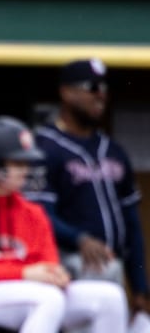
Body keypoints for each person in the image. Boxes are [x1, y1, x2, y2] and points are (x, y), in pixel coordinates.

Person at [0, 116, 130, 333]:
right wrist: (24, 274)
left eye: (26, 163)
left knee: (110, 297)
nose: (25, 170)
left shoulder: (33, 212)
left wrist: (55, 275)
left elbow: (48, 262)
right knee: (46, 298)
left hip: (32, 294)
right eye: (17, 163)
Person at [31, 59, 150, 313]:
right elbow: (38, 213)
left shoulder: (113, 149)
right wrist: (79, 238)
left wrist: (140, 287)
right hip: (67, 261)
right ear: (66, 92)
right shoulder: (44, 146)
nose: (100, 95)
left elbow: (132, 224)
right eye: (92, 87)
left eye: (104, 88)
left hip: (111, 262)